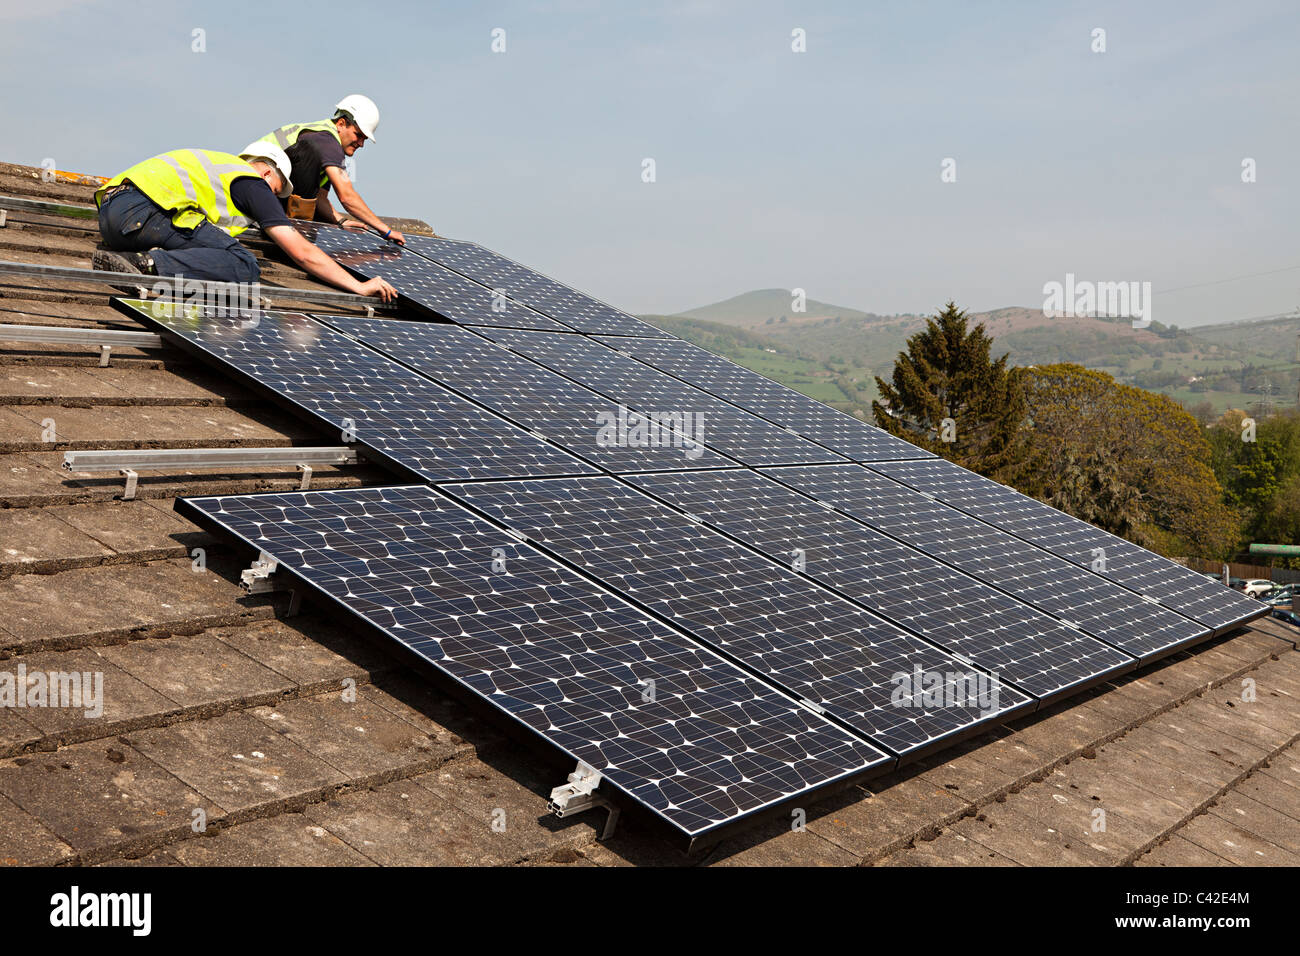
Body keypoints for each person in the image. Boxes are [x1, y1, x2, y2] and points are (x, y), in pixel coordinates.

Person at [92, 143, 396, 302]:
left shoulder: (220, 169)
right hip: (143, 215)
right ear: (267, 173)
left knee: (214, 245)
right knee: (244, 264)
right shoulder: (252, 182)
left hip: (113, 215)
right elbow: (301, 251)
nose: (272, 199)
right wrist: (358, 285)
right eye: (277, 190)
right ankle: (146, 266)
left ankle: (140, 261)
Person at [259, 94, 406, 244]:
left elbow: (320, 198)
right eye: (358, 135)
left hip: (261, 195)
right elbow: (347, 196)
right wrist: (385, 230)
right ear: (341, 124)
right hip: (256, 193)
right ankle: (294, 233)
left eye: (364, 139)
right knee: (307, 241)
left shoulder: (321, 143)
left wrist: (340, 220)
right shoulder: (326, 142)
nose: (361, 143)